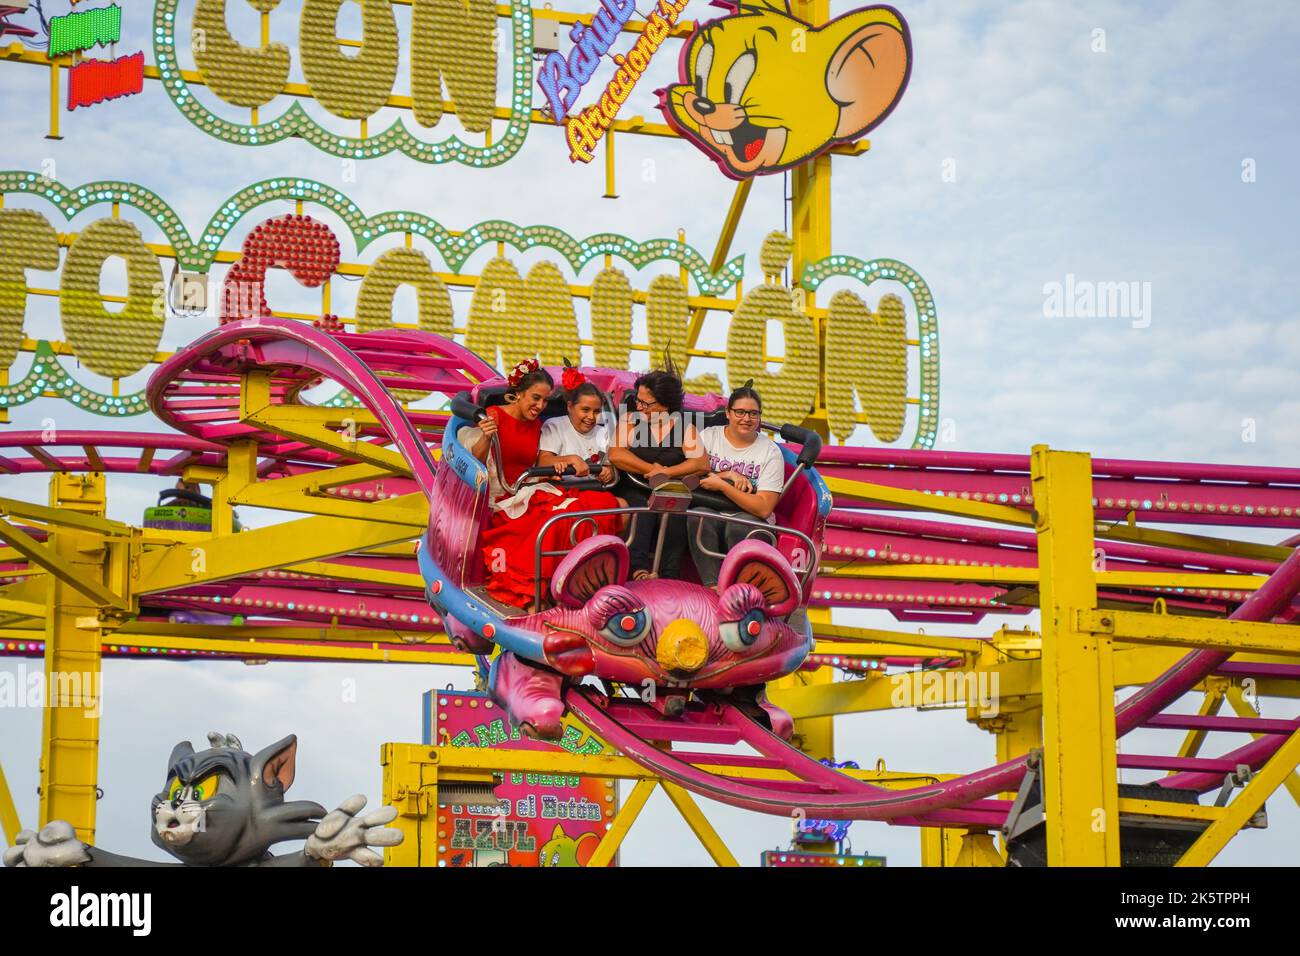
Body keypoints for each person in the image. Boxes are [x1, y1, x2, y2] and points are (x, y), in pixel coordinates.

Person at [460, 360, 621, 609]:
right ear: (518, 393)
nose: (540, 406)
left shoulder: (535, 424)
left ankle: (577, 582)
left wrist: (563, 462)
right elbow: (476, 464)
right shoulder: (494, 416)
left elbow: (539, 461)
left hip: (531, 489)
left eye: (545, 401)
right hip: (504, 497)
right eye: (535, 398)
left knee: (604, 504)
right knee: (559, 521)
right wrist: (486, 436)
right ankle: (537, 591)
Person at [608, 367, 709, 580]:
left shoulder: (683, 427)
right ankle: (637, 570)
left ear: (665, 404)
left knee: (677, 509)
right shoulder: (631, 420)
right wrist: (651, 471)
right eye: (638, 400)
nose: (639, 406)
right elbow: (616, 454)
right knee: (641, 505)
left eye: (646, 403)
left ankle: (670, 575)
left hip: (667, 489)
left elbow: (700, 463)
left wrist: (667, 472)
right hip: (634, 487)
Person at [688, 385, 786, 588]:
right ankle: (712, 586)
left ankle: (738, 588)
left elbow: (763, 507)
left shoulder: (770, 452)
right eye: (740, 412)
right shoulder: (709, 436)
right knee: (698, 517)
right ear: (728, 413)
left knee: (737, 525)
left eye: (753, 413)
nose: (746, 419)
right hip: (710, 508)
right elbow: (689, 477)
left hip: (749, 518)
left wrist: (724, 487)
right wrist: (727, 475)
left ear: (759, 416)